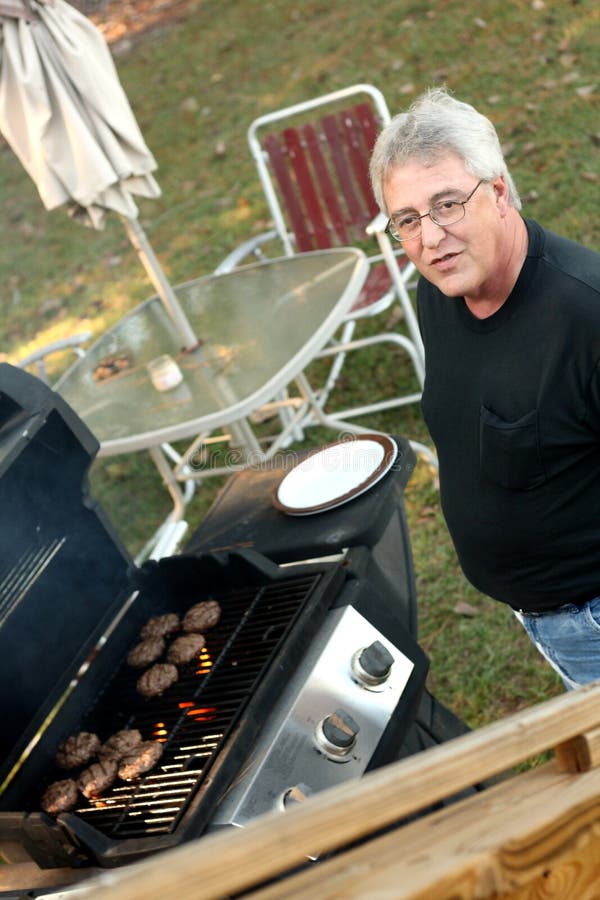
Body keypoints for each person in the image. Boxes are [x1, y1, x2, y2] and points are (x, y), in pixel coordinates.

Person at [369, 87, 600, 690]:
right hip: (548, 616)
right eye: (408, 219)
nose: (430, 238)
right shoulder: (443, 286)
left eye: (447, 204)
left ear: (498, 192)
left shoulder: (586, 318)